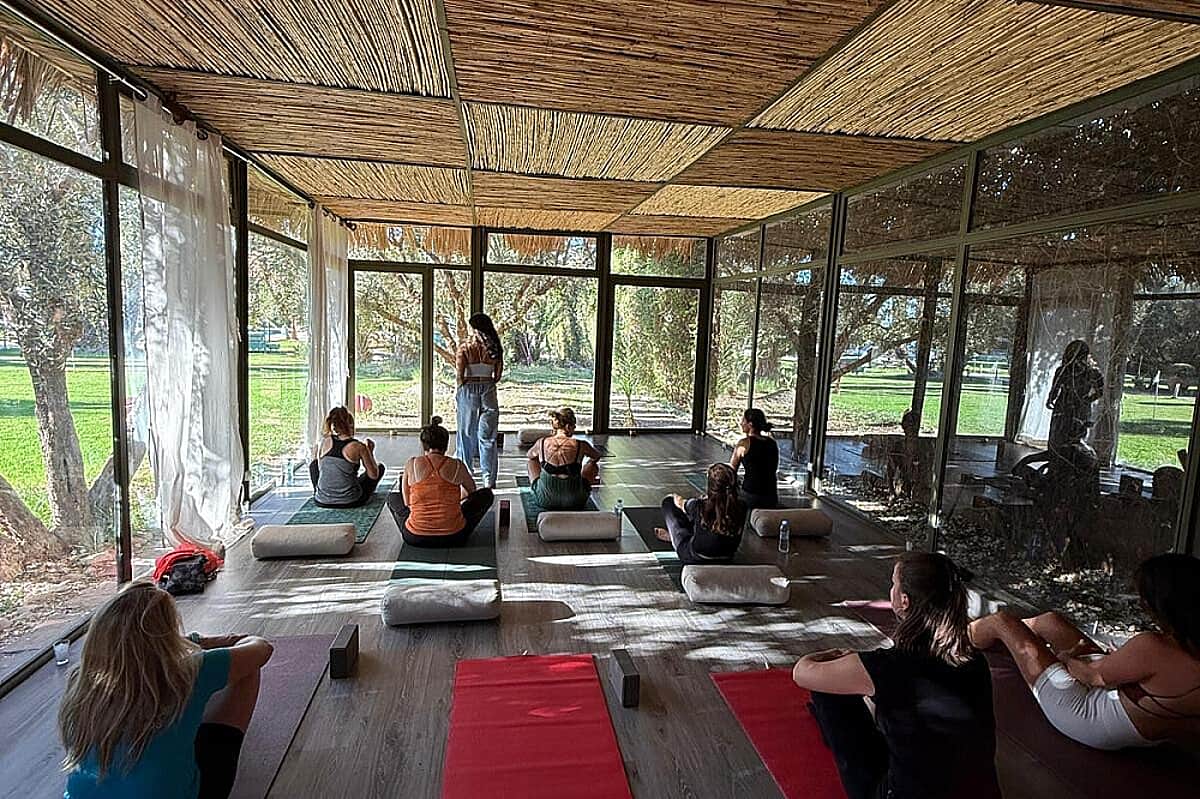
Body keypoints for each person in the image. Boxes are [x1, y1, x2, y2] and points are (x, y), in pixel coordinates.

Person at [793, 553, 1000, 799]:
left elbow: (802, 673)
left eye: (894, 583)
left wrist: (835, 655)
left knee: (828, 685)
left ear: (904, 600)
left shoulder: (890, 667)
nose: (890, 589)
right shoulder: (975, 660)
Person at [59, 581, 273, 799]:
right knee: (246, 669)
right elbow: (261, 649)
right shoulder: (188, 672)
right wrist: (205, 641)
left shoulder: (82, 683)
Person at [969, 553, 1200, 751]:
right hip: (1124, 706)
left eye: (1144, 602)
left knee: (1002, 621)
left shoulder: (1153, 646)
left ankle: (954, 638)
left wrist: (1064, 657)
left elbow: (1091, 676)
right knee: (1050, 622)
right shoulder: (1184, 646)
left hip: (1088, 716)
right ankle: (1004, 640)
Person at [387, 417, 494, 547]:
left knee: (392, 498)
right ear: (446, 444)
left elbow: (406, 502)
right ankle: (445, 520)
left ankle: (419, 522)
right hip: (455, 537)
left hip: (415, 537)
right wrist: (452, 500)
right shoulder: (457, 465)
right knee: (486, 494)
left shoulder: (412, 464)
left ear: (423, 444)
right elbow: (472, 492)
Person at [653, 463, 745, 565]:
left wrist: (674, 496)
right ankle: (684, 538)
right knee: (699, 521)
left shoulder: (698, 505)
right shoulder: (742, 506)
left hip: (695, 558)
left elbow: (680, 503)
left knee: (668, 502)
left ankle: (675, 539)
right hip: (726, 558)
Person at [456, 313, 502, 489]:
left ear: (474, 328)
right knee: (488, 437)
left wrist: (463, 387)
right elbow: (497, 376)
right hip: (488, 389)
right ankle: (488, 479)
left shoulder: (465, 348)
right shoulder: (495, 349)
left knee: (466, 435)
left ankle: (465, 476)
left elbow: (460, 376)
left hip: (469, 390)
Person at [308, 406, 385, 508]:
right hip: (351, 501)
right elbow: (373, 475)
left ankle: (324, 492)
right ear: (350, 424)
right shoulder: (359, 446)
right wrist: (369, 452)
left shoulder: (324, 441)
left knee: (314, 465)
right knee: (380, 468)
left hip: (321, 500)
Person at [527, 407, 602, 511]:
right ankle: (581, 487)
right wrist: (585, 463)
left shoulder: (542, 442)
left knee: (531, 461)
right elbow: (597, 456)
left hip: (545, 500)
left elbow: (529, 455)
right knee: (593, 465)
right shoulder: (581, 445)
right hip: (576, 501)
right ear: (568, 426)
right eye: (574, 426)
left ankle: (538, 487)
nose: (574, 428)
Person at [1046, 339, 1104, 455]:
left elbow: (1100, 391)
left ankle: (1072, 462)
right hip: (1063, 406)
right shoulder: (1063, 370)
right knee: (1058, 435)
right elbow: (1055, 388)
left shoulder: (1093, 373)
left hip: (1079, 408)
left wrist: (1086, 400)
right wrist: (1051, 399)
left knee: (1075, 437)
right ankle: (1056, 460)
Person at [730, 408, 778, 510]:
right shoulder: (772, 443)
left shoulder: (743, 443)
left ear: (750, 424)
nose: (741, 423)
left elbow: (731, 470)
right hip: (771, 494)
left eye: (743, 421)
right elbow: (773, 468)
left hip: (751, 493)